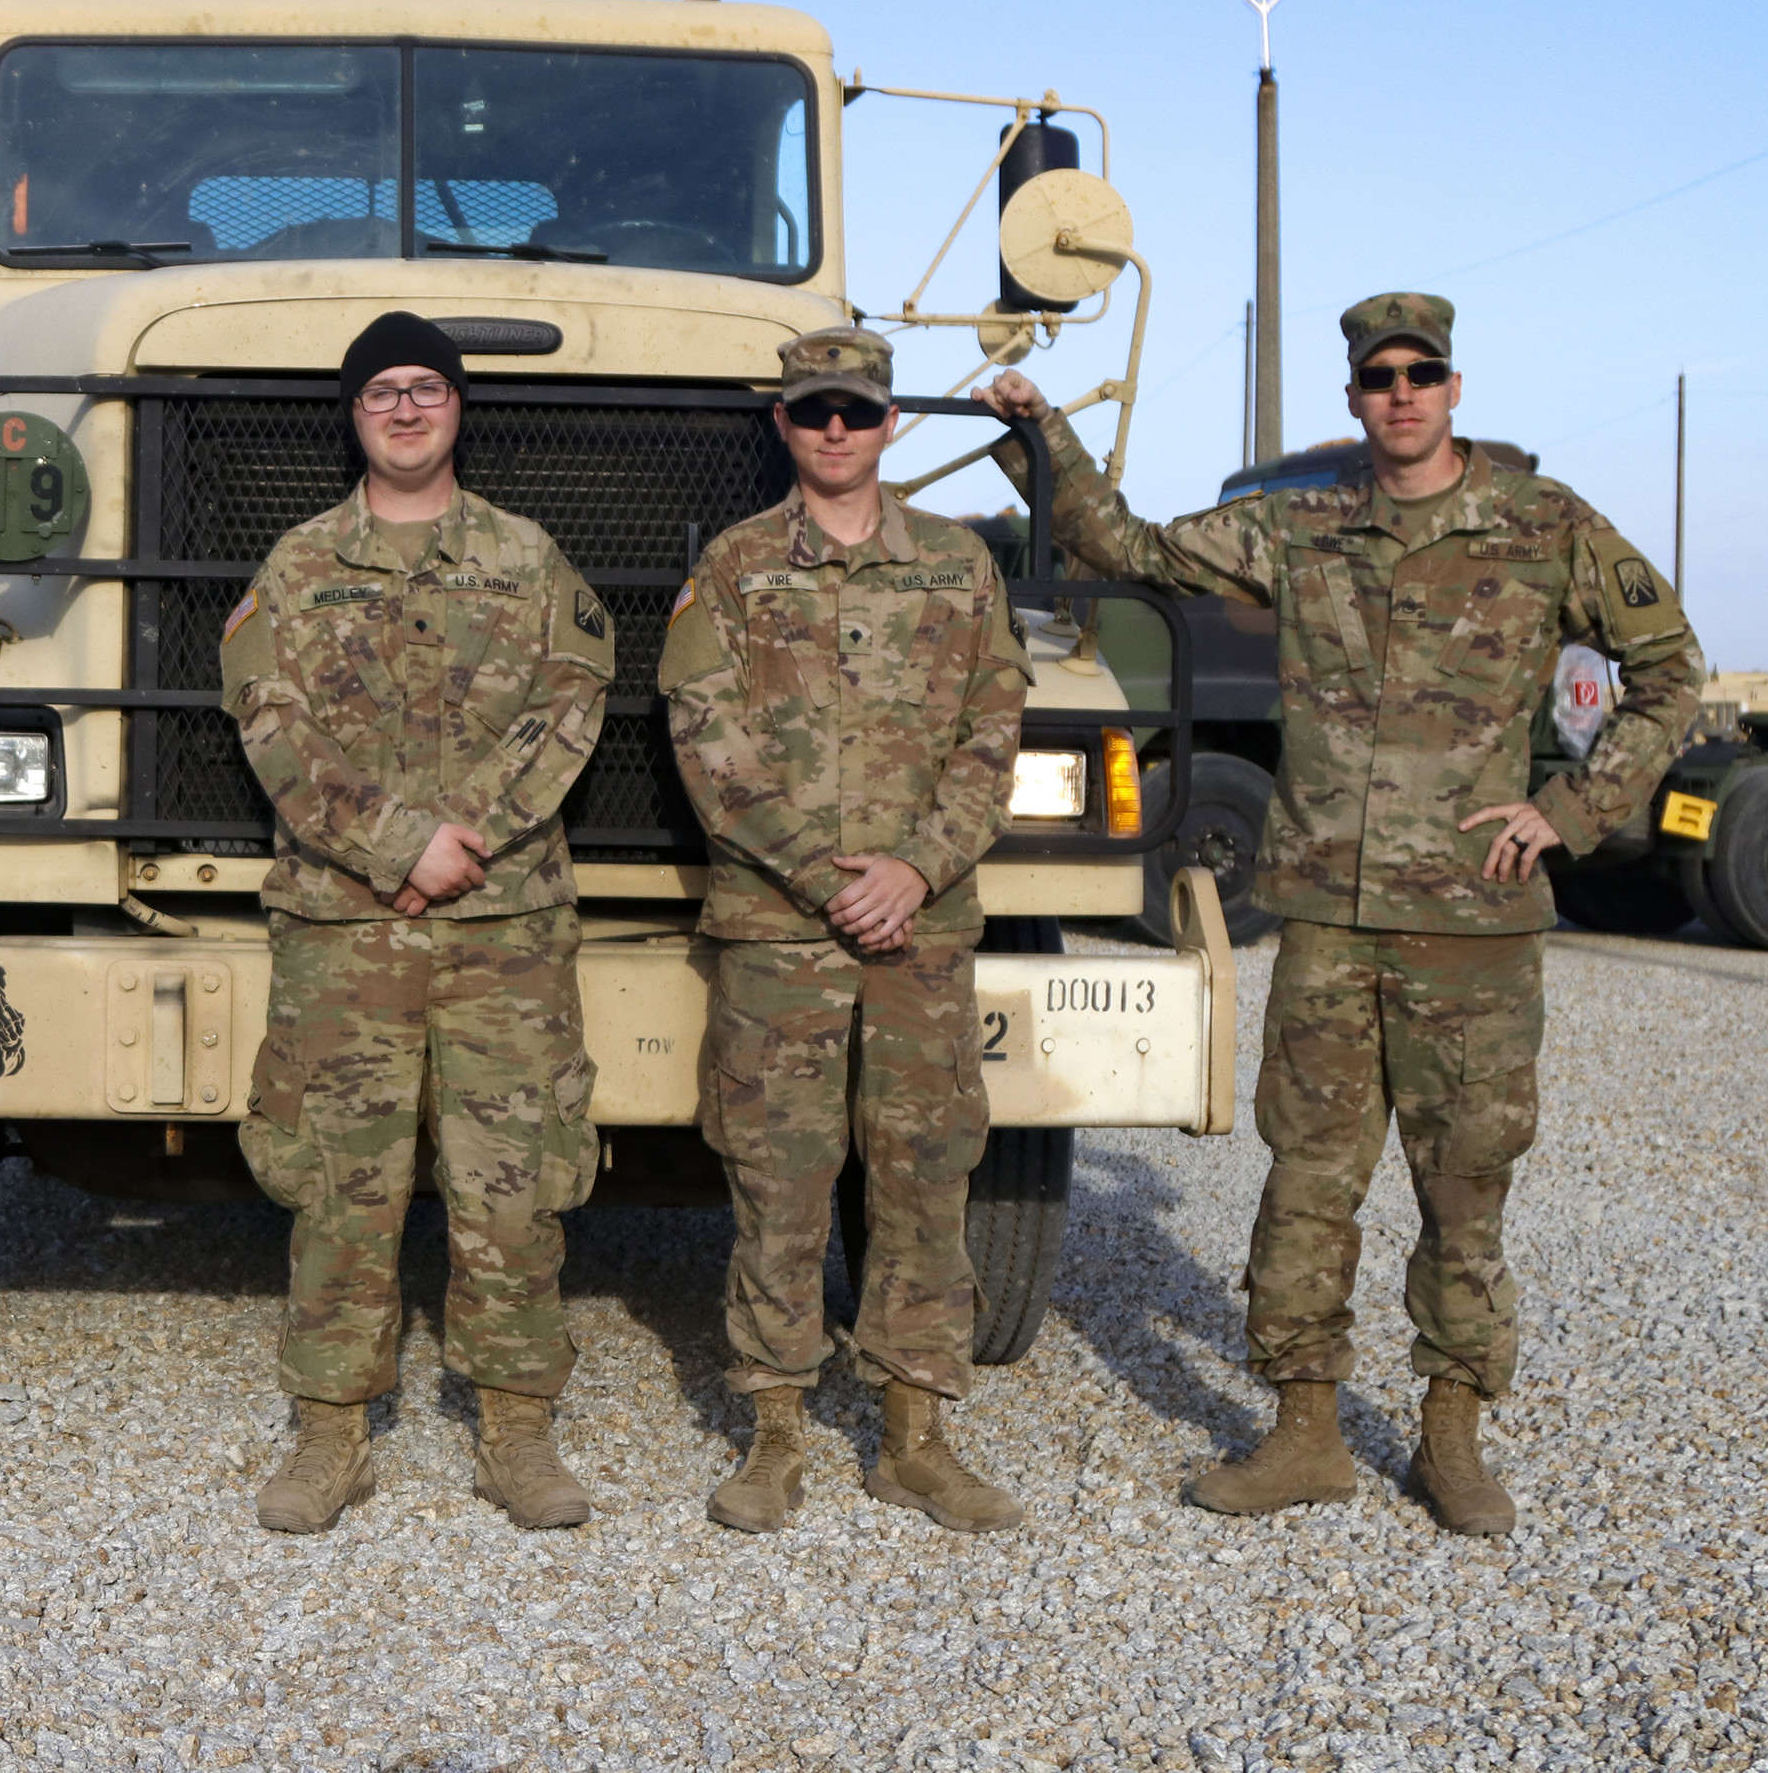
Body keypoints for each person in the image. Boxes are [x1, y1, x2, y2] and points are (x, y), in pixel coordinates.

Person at [979, 293, 1701, 1535]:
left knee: (1463, 1183)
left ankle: (1452, 1435)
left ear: (1456, 389)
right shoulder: (1303, 529)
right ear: (1356, 397)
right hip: (1326, 916)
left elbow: (1670, 668)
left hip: (1471, 924)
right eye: (1381, 378)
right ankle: (1303, 1430)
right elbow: (1133, 549)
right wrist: (1038, 432)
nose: (1403, 394)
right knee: (1309, 1179)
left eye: (1424, 373)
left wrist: (1572, 813)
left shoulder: (1542, 524)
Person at [218, 311, 614, 1535]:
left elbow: (574, 707)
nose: (403, 408)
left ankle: (516, 1434)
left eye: (425, 389)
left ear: (456, 408)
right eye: (381, 390)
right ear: (354, 413)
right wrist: (397, 844)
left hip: (503, 922)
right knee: (342, 1183)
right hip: (345, 926)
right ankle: (331, 1436)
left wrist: (463, 843)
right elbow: (271, 726)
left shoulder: (531, 559)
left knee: (514, 1180)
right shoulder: (294, 567)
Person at [662, 327, 1033, 1536]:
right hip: (782, 927)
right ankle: (773, 1430)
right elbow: (705, 739)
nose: (836, 430)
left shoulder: (960, 567)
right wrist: (829, 877)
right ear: (784, 421)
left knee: (927, 1174)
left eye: (857, 411)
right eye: (814, 409)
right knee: (779, 1175)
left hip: (920, 931)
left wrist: (916, 867)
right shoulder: (731, 567)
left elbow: (994, 735)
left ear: (888, 425)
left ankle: (916, 1434)